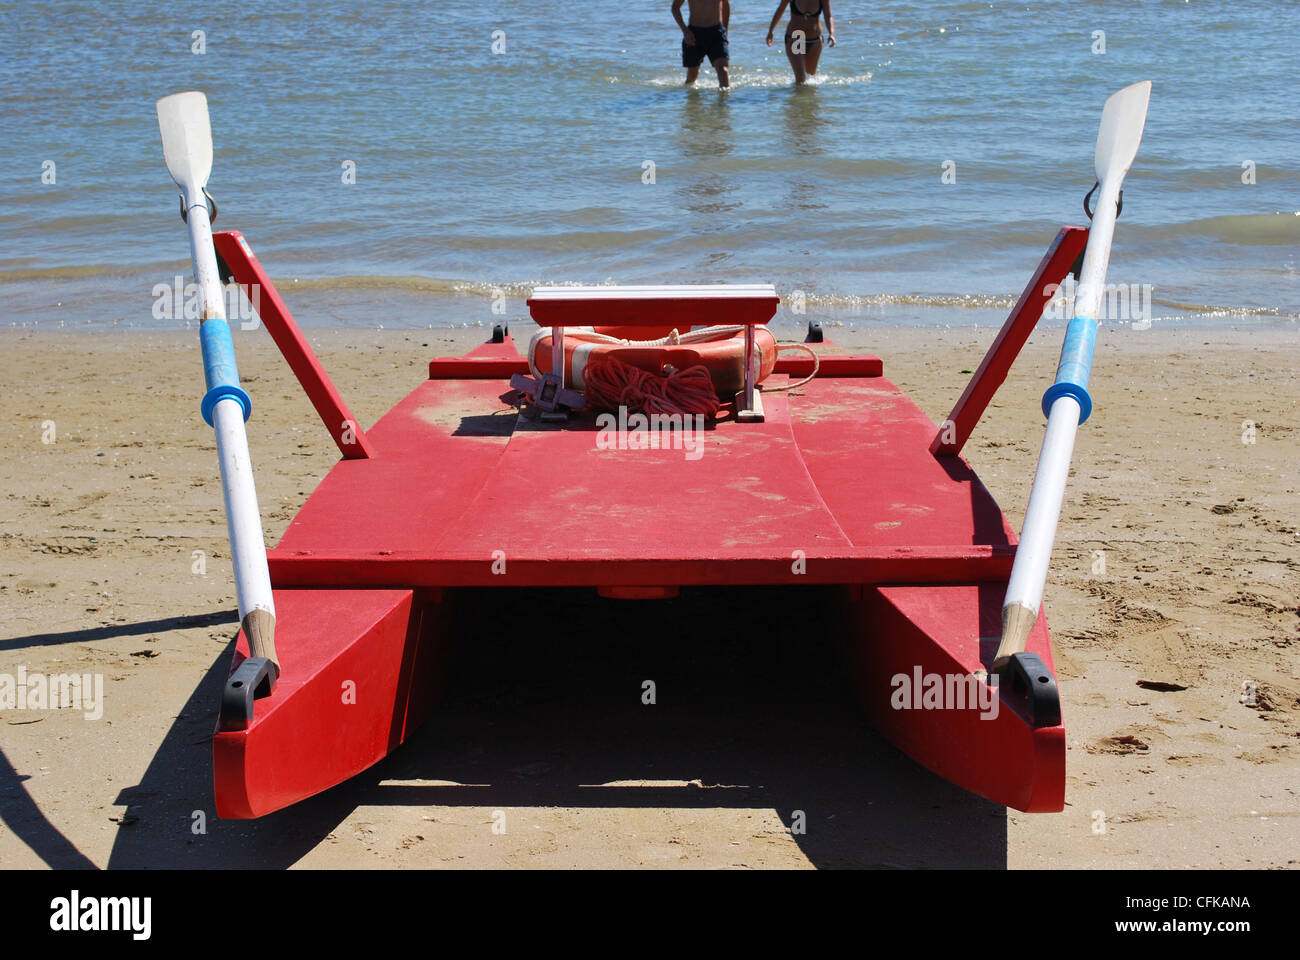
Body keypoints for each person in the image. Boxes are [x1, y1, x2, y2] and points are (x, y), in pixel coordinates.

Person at [766, 0, 836, 84]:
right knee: (800, 78)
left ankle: (806, 96)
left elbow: (828, 15)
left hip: (815, 40)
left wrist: (831, 33)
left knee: (810, 78)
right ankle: (796, 95)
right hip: (796, 39)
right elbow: (780, 10)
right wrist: (771, 31)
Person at [673, 0, 731, 89]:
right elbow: (675, 7)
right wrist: (685, 31)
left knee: (723, 70)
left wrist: (725, 31)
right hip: (694, 33)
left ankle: (724, 102)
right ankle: (691, 101)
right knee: (692, 76)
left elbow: (725, 5)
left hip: (717, 33)